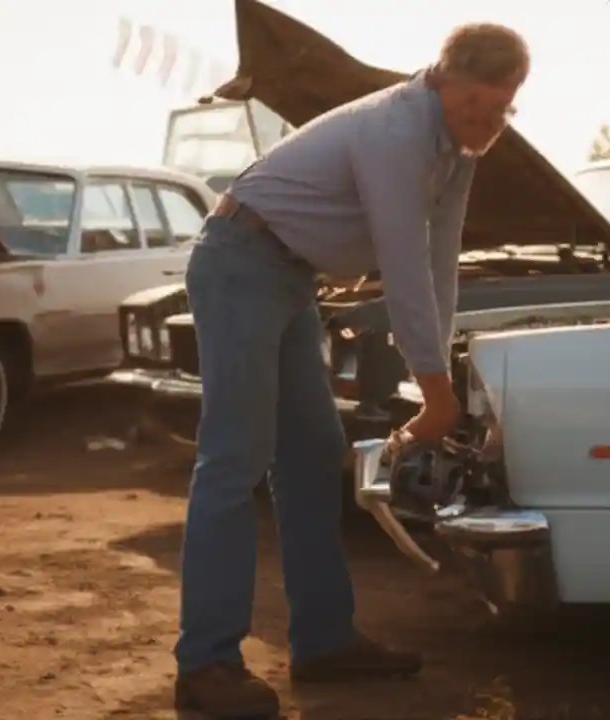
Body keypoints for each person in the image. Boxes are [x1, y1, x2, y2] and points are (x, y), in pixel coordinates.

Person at [174, 21, 530, 717]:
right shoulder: (396, 133)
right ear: (439, 78)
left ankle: (323, 641)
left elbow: (439, 263)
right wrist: (432, 394)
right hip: (241, 260)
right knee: (233, 460)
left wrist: (441, 382)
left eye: (501, 108)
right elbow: (401, 267)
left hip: (289, 274)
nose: (485, 123)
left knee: (312, 456)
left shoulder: (457, 144)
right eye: (473, 107)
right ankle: (205, 664)